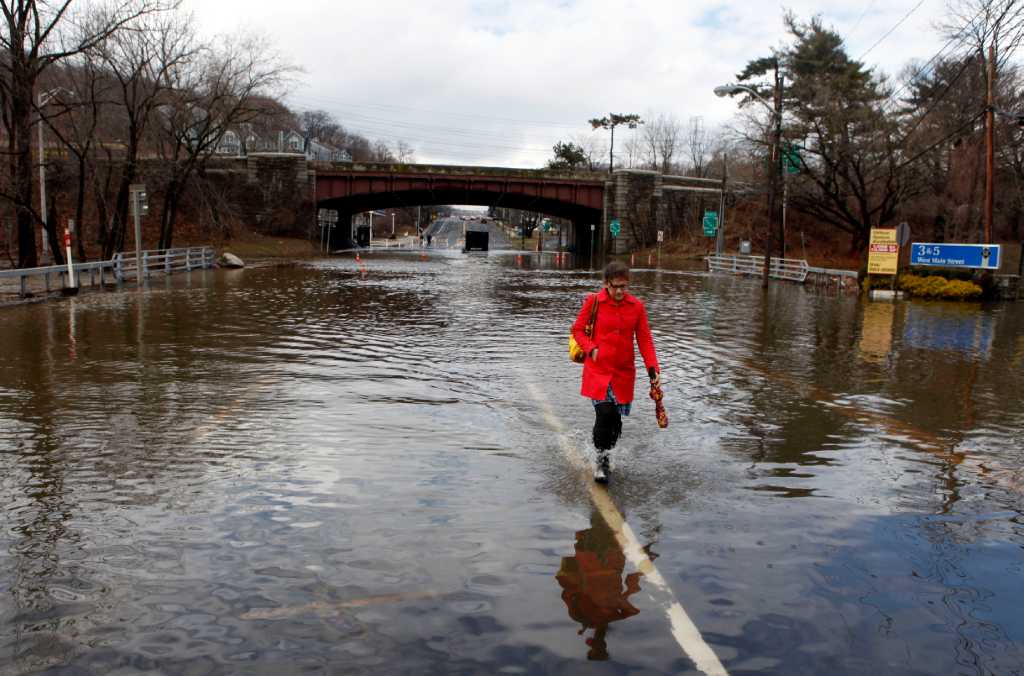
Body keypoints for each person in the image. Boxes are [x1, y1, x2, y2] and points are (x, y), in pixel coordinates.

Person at [571, 261, 660, 483]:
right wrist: (591, 348)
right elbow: (578, 330)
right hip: (598, 371)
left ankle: (608, 453)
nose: (620, 291)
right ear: (606, 283)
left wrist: (653, 369)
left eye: (624, 286)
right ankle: (600, 461)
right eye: (615, 286)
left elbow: (645, 340)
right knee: (605, 413)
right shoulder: (593, 302)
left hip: (623, 373)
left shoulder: (636, 307)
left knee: (615, 421)